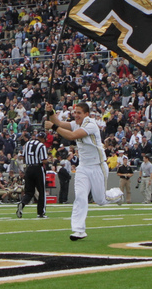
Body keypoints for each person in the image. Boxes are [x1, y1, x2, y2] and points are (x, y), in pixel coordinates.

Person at [44, 101, 123, 241]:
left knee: (100, 200)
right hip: (83, 167)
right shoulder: (76, 123)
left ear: (87, 114)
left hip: (97, 165)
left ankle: (117, 195)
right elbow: (59, 123)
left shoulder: (91, 124)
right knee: (80, 197)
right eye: (75, 112)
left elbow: (72, 136)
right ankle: (78, 230)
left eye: (79, 113)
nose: (76, 115)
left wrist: (54, 127)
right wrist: (50, 112)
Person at [17, 131, 49, 218]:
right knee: (41, 191)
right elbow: (44, 160)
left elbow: (23, 157)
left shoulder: (27, 144)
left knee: (29, 192)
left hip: (28, 168)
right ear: (42, 139)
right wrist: (49, 160)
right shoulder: (41, 146)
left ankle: (22, 203)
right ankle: (41, 212)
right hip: (38, 169)